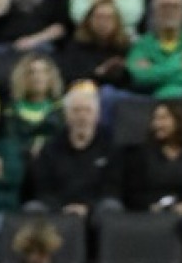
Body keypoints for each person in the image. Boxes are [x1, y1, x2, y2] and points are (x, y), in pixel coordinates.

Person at [27, 85, 119, 216]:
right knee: (33, 208)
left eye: (88, 110)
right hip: (58, 212)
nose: (82, 116)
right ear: (66, 115)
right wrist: (63, 208)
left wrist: (88, 208)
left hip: (96, 212)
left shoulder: (111, 146)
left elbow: (113, 189)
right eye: (76, 110)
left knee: (111, 206)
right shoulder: (50, 148)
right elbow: (43, 189)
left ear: (97, 115)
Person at [120, 100, 182, 212]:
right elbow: (132, 192)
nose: (157, 125)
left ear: (180, 120)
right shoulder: (141, 154)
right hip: (149, 213)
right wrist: (150, 206)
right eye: (155, 119)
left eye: (163, 119)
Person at [61, 0, 135, 84]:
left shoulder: (125, 47)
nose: (103, 22)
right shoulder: (76, 45)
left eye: (109, 18)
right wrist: (98, 72)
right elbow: (68, 75)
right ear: (89, 20)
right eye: (98, 17)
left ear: (117, 22)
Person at [5, 54, 66, 154]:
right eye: (31, 72)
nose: (38, 77)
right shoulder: (11, 111)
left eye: (44, 72)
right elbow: (11, 143)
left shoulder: (61, 109)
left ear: (51, 77)